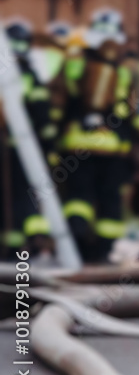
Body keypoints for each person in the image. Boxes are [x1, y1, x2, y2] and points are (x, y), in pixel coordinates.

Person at [60, 8, 139, 263]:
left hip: (77, 144)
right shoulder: (129, 70)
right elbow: (138, 110)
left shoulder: (74, 64)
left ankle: (77, 239)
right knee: (110, 197)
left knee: (79, 196)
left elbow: (63, 100)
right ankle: (102, 251)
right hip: (114, 148)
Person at [0, 19, 57, 256]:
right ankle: (29, 246)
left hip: (5, 150)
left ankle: (10, 248)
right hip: (25, 151)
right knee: (28, 197)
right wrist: (50, 145)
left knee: (6, 198)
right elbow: (42, 111)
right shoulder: (29, 74)